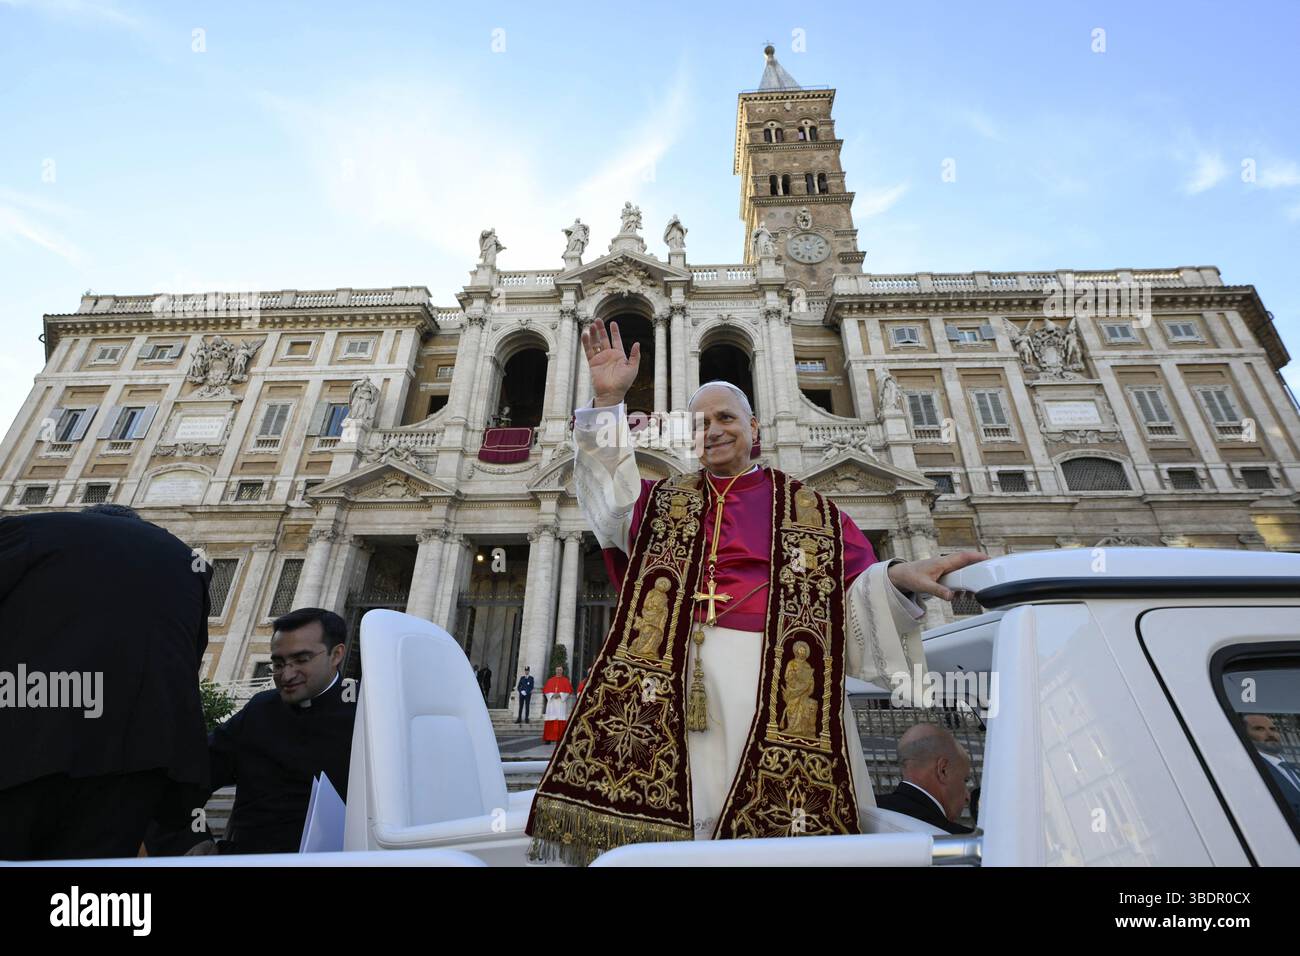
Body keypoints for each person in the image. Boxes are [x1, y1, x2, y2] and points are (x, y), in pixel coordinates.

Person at [525, 318, 987, 864]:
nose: (714, 430)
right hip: (669, 684)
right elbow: (607, 495)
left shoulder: (810, 510)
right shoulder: (660, 501)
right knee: (680, 833)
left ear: (755, 427)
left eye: (726, 418)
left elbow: (852, 597)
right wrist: (608, 404)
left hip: (774, 681)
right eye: (701, 423)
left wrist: (898, 578)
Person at [0, 504, 211, 861]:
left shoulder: (31, 530)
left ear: (89, 514)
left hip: (26, 735)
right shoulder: (188, 562)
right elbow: (192, 655)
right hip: (138, 761)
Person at [149, 608, 356, 855]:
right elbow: (188, 778)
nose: (287, 675)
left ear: (336, 655)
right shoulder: (259, 711)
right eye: (278, 663)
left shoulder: (366, 714)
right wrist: (191, 839)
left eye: (301, 660)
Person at [876, 723, 975, 835]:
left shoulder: (861, 812)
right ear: (943, 770)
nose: (968, 797)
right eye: (965, 780)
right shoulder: (960, 841)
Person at [1242, 713, 1300, 816]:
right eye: (1259, 729)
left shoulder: (1294, 768)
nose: (1270, 734)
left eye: (1273, 729)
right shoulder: (1250, 769)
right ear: (1245, 735)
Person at [541, 666, 573, 743]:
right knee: (550, 719)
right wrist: (552, 695)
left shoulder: (565, 681)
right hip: (552, 704)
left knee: (560, 719)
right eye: (557, 670)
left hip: (560, 704)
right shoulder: (550, 680)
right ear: (555, 671)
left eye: (560, 670)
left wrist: (560, 695)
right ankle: (548, 738)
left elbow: (568, 691)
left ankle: (560, 738)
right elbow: (546, 691)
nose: (559, 671)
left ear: (562, 671)